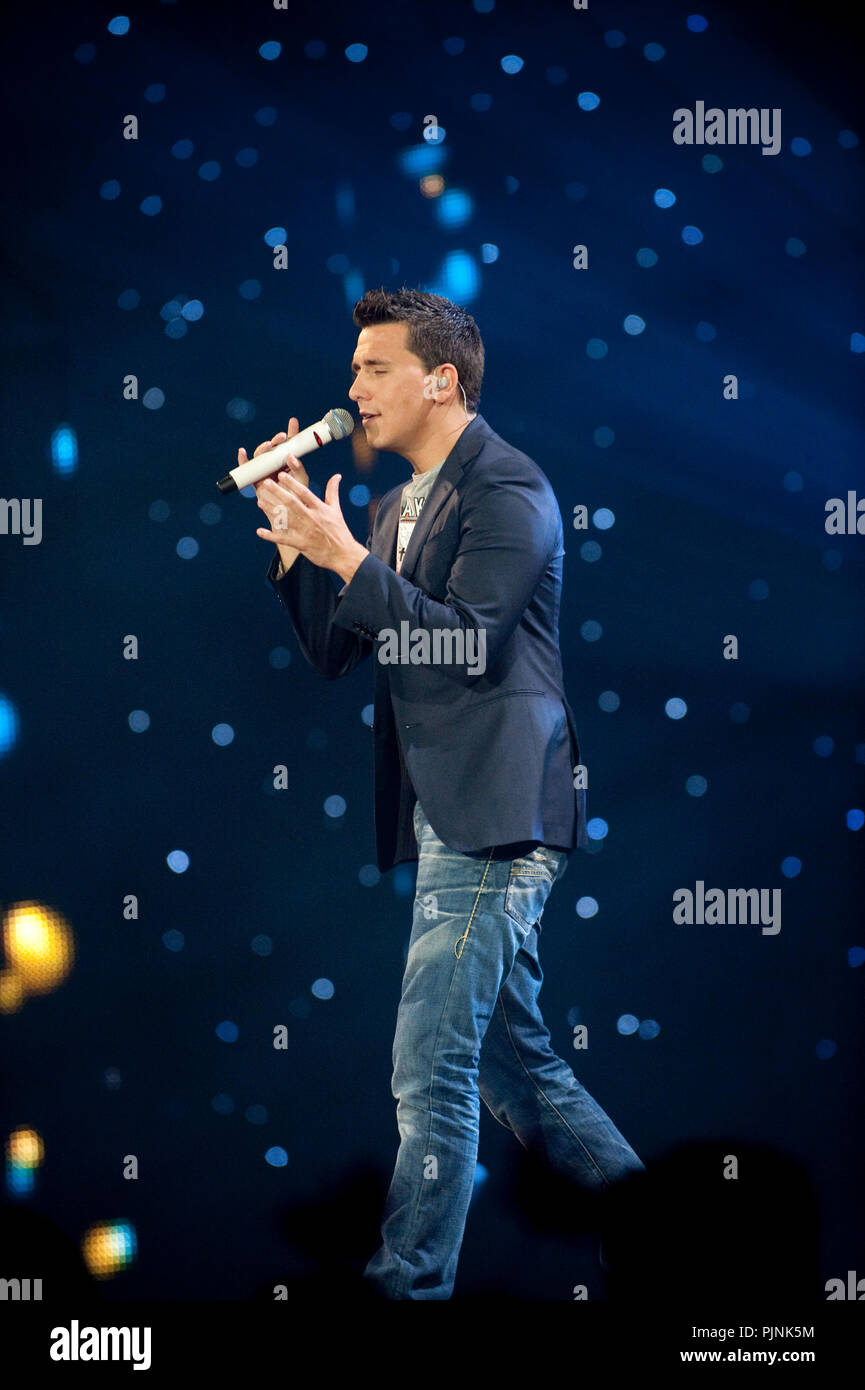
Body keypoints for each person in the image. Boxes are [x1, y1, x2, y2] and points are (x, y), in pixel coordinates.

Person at [244, 287, 645, 1299]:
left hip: (499, 817)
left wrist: (345, 559)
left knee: (430, 1071)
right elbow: (343, 652)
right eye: (353, 371)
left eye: (373, 369)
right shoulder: (391, 508)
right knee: (519, 1072)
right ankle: (678, 1239)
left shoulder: (507, 489)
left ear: (441, 380)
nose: (352, 391)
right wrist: (303, 551)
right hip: (447, 816)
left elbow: (463, 643)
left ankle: (405, 1286)